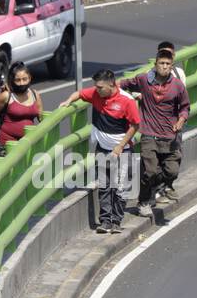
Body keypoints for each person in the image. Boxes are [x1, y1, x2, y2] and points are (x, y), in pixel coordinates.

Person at [59, 69, 140, 234]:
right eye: (96, 87)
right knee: (104, 185)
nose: (97, 90)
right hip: (102, 149)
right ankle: (105, 221)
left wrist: (120, 146)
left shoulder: (127, 101)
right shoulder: (96, 94)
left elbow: (135, 125)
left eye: (100, 87)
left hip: (122, 150)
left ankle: (117, 220)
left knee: (120, 187)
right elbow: (80, 94)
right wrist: (68, 101)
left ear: (111, 85)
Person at [118, 45, 190, 217]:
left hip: (170, 136)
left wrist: (181, 120)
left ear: (171, 66)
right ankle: (143, 201)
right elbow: (121, 85)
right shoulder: (143, 80)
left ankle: (161, 188)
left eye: (167, 64)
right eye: (161, 63)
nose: (164, 66)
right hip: (149, 134)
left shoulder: (178, 86)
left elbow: (185, 107)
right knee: (149, 171)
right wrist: (130, 96)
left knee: (171, 171)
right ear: (155, 64)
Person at [0, 61, 42, 155]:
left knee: (27, 169)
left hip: (28, 142)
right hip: (7, 143)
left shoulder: (35, 94)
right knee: (9, 169)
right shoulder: (6, 96)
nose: (21, 83)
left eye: (25, 79)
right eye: (18, 80)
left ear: (30, 78)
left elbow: (42, 118)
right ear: (12, 80)